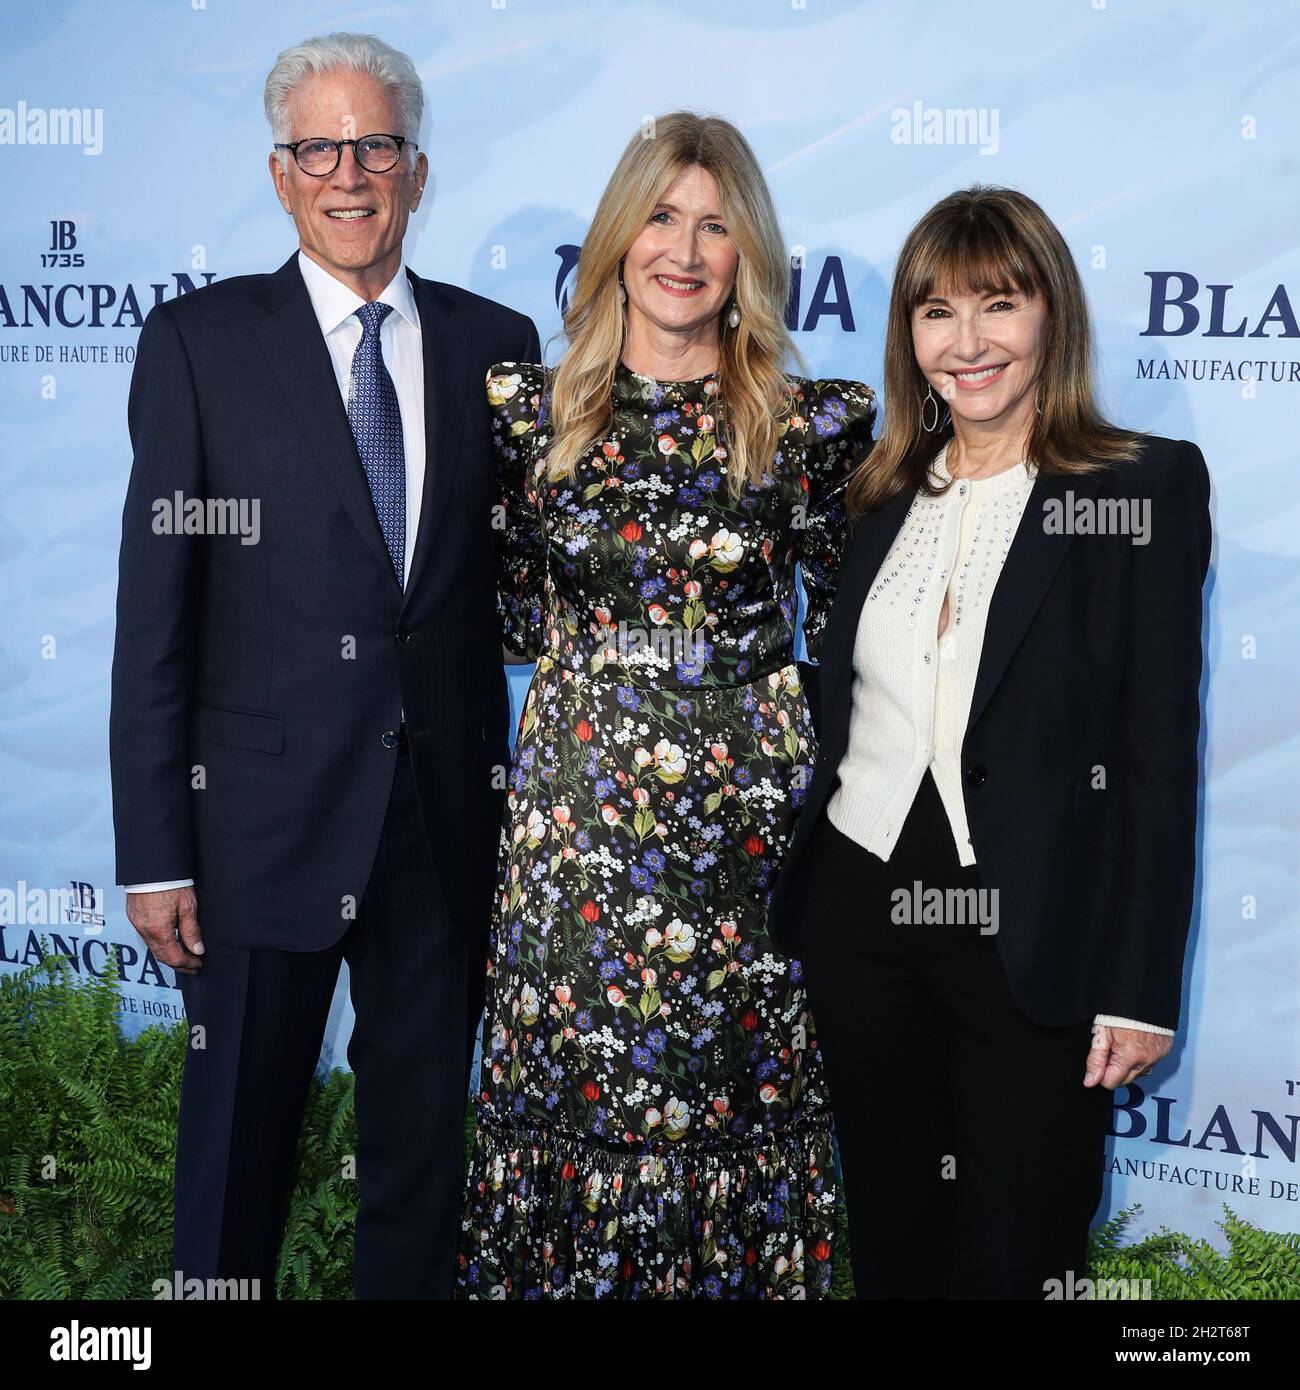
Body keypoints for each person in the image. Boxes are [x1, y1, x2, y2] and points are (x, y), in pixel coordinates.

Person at [109, 31, 538, 1299]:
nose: (348, 172)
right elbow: (155, 615)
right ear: (280, 172)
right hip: (252, 831)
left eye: (375, 145)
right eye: (319, 148)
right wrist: (155, 849)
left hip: (439, 832)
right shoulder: (199, 341)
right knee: (234, 1157)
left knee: (420, 1166)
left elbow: (518, 584)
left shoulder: (494, 341)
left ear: (416, 169)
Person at [457, 111, 877, 1298]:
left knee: (740, 1108)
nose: (684, 250)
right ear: (617, 235)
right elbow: (506, 617)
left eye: (716, 225)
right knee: (567, 1103)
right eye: (661, 216)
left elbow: (853, 635)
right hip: (576, 832)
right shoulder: (526, 415)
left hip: (749, 840)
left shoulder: (810, 425)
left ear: (749, 254)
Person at [768, 185, 1212, 1300]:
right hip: (861, 916)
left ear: (1049, 315)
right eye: (935, 313)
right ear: (907, 336)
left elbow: (1158, 758)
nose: (966, 344)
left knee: (1021, 1252)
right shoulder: (873, 490)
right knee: (897, 1237)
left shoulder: (1139, 486)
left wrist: (1139, 986)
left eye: (997, 305)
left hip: (1033, 937)